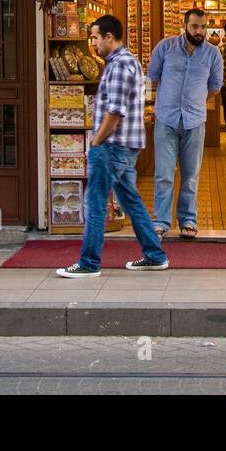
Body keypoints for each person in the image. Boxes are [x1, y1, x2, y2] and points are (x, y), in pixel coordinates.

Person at [56, 15, 168, 278]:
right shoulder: (128, 62)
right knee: (131, 200)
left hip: (112, 146)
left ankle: (89, 262)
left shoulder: (118, 66)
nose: (93, 43)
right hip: (125, 146)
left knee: (94, 202)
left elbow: (115, 112)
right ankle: (155, 255)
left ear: (109, 37)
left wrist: (95, 142)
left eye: (95, 37)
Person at [147, 8, 223, 239]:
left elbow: (214, 87)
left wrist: (195, 101)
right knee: (164, 174)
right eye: (194, 27)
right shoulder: (165, 47)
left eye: (203, 27)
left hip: (195, 121)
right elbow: (154, 77)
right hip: (166, 120)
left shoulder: (213, 54)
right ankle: (160, 221)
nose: (199, 31)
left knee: (191, 175)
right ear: (184, 26)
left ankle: (188, 220)